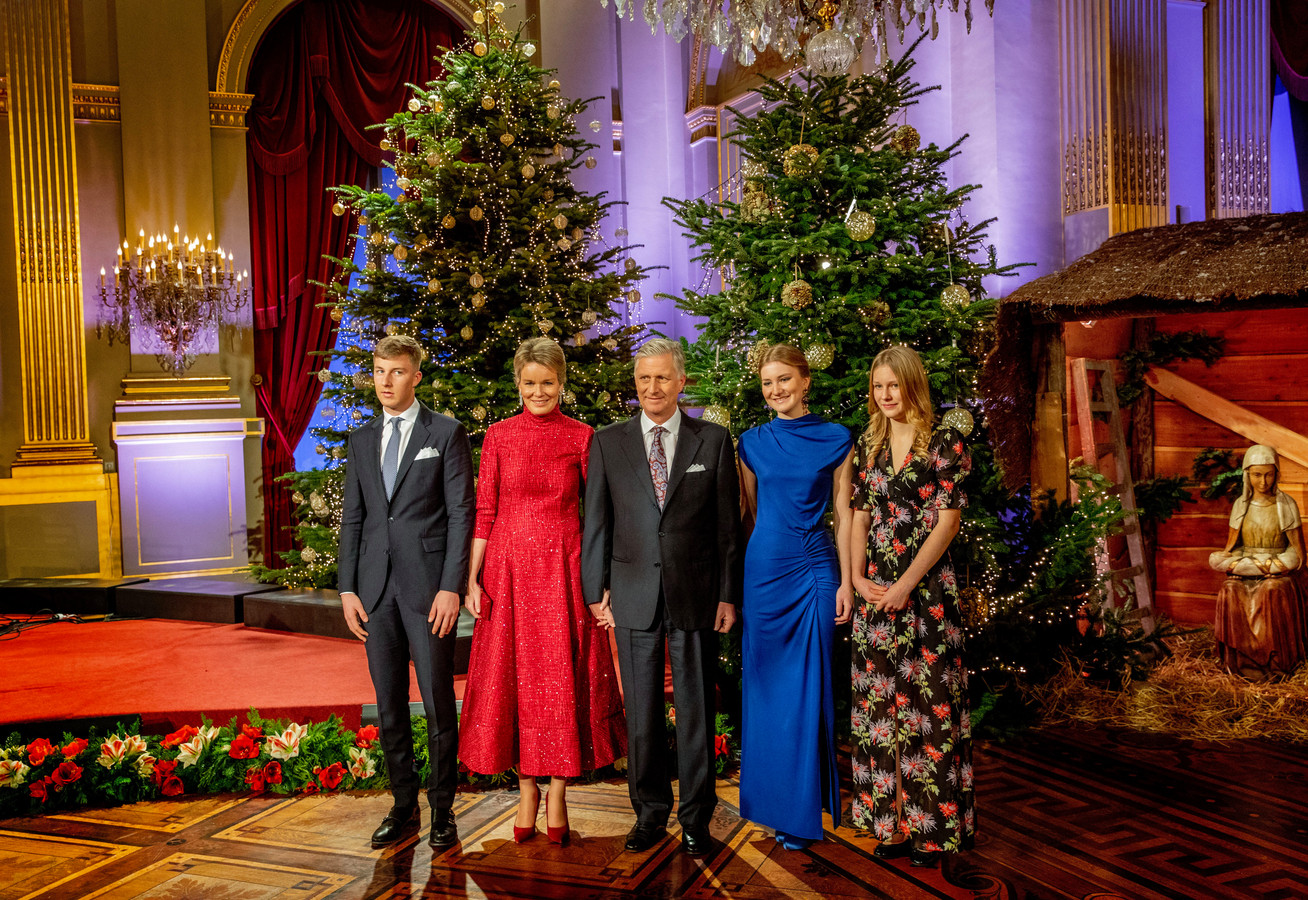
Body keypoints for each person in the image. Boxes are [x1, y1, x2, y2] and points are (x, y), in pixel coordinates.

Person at [459, 338, 626, 846]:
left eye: (547, 383)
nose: (538, 392)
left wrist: (602, 580)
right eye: (530, 383)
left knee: (559, 680)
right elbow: (485, 511)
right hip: (508, 573)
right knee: (514, 679)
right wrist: (471, 578)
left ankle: (557, 790)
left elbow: (600, 515)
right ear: (518, 384)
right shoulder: (499, 435)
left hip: (563, 571)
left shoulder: (582, 436)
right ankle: (526, 789)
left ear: (561, 383)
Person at [581, 337, 742, 858]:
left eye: (662, 378)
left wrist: (727, 595)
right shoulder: (608, 442)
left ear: (681, 382)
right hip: (631, 596)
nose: (652, 387)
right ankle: (649, 814)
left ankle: (696, 818)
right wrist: (594, 590)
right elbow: (596, 523)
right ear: (636, 383)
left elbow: (727, 528)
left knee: (696, 712)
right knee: (643, 714)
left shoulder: (712, 440)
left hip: (696, 595)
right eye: (644, 378)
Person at [337, 334, 474, 850]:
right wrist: (348, 588)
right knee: (389, 703)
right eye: (379, 371)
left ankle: (442, 809)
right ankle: (402, 805)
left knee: (438, 701)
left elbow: (461, 514)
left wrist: (451, 587)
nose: (386, 381)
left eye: (396, 371)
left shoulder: (446, 432)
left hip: (428, 590)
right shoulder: (361, 439)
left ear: (416, 376)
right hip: (375, 591)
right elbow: (353, 519)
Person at [847, 345, 974, 868]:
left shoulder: (945, 442)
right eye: (878, 387)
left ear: (912, 384)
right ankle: (891, 822)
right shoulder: (869, 443)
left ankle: (932, 829)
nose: (885, 395)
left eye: (893, 385)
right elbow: (858, 515)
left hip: (928, 592)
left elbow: (948, 521)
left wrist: (906, 584)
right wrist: (856, 577)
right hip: (875, 591)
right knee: (880, 707)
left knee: (928, 705)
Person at [737, 344, 855, 850]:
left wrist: (847, 581)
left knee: (808, 692)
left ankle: (801, 814)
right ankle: (771, 806)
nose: (775, 390)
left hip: (814, 571)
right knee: (765, 692)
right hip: (764, 573)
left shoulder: (837, 438)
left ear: (805, 381)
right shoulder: (750, 442)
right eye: (767, 382)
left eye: (784, 379)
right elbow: (749, 514)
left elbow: (845, 515)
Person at [1208, 444, 1308, 678]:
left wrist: (1273, 566)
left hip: (1277, 570)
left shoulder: (1286, 505)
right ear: (1247, 475)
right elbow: (1233, 548)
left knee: (1272, 589)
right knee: (1230, 589)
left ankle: (1275, 663)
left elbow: (1296, 552)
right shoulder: (1240, 506)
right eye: (1257, 475)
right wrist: (1238, 563)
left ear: (1276, 474)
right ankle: (1238, 663)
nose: (1263, 482)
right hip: (1247, 565)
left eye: (1268, 475)